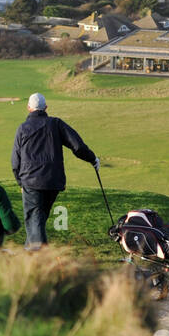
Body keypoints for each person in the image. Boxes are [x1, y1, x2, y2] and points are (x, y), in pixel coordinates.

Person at [10, 92, 99, 249]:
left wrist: (20, 182)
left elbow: (15, 160)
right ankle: (28, 253)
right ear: (46, 107)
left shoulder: (22, 128)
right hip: (53, 181)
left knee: (34, 218)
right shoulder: (56, 124)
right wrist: (92, 159)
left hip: (31, 182)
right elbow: (77, 146)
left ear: (28, 108)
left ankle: (42, 258)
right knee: (38, 218)